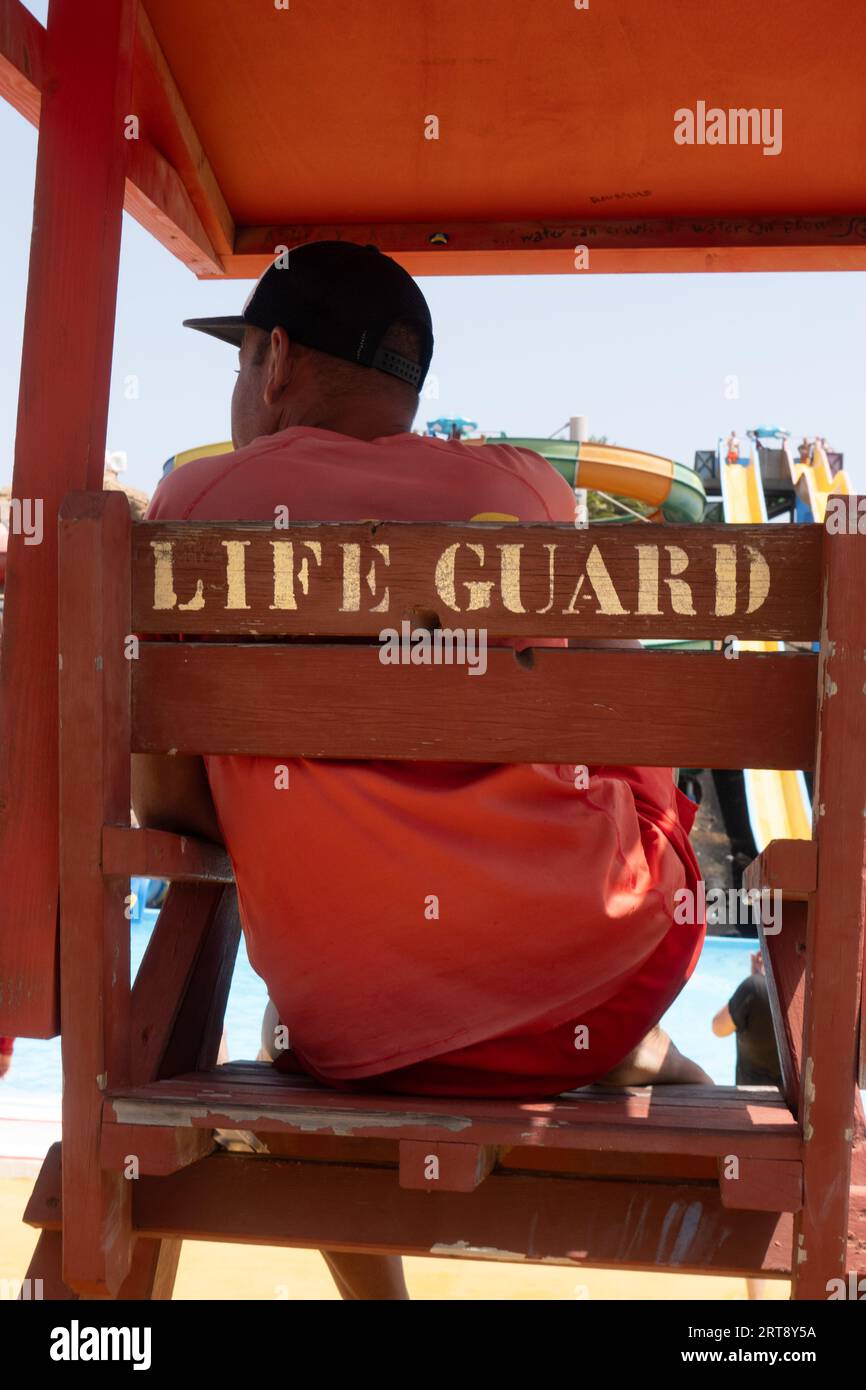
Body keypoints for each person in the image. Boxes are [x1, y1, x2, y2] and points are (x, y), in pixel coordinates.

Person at [133, 241, 708, 1298]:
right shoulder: (524, 491)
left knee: (287, 1013)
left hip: (354, 1032)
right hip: (605, 973)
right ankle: (624, 1043)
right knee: (604, 696)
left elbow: (167, 804)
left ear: (273, 363)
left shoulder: (186, 510)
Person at [711, 951, 782, 1087]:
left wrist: (754, 983)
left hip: (752, 1099)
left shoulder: (754, 988)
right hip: (799, 1103)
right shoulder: (817, 990)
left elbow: (718, 1028)